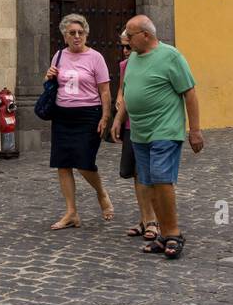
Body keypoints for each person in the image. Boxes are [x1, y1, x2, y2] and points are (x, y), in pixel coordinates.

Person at [112, 15, 203, 260]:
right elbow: (129, 92)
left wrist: (194, 130)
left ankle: (173, 234)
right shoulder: (133, 60)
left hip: (165, 130)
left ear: (146, 35)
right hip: (140, 133)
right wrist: (119, 119)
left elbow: (190, 93)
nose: (126, 41)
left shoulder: (170, 56)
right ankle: (163, 235)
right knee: (149, 182)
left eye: (130, 36)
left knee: (162, 179)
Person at [45, 13, 113, 229]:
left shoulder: (95, 58)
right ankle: (71, 213)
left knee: (84, 162)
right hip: (63, 115)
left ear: (86, 35)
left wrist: (105, 116)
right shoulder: (58, 56)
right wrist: (48, 77)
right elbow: (52, 85)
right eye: (72, 33)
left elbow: (104, 91)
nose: (76, 37)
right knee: (63, 164)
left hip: (88, 115)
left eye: (80, 33)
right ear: (65, 36)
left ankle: (101, 193)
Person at [112, 31, 158, 244]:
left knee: (149, 173)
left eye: (128, 47)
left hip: (152, 127)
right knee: (136, 175)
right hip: (132, 126)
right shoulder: (125, 66)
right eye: (123, 47)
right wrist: (118, 108)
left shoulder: (156, 61)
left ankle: (153, 221)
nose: (125, 51)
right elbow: (124, 89)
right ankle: (144, 219)